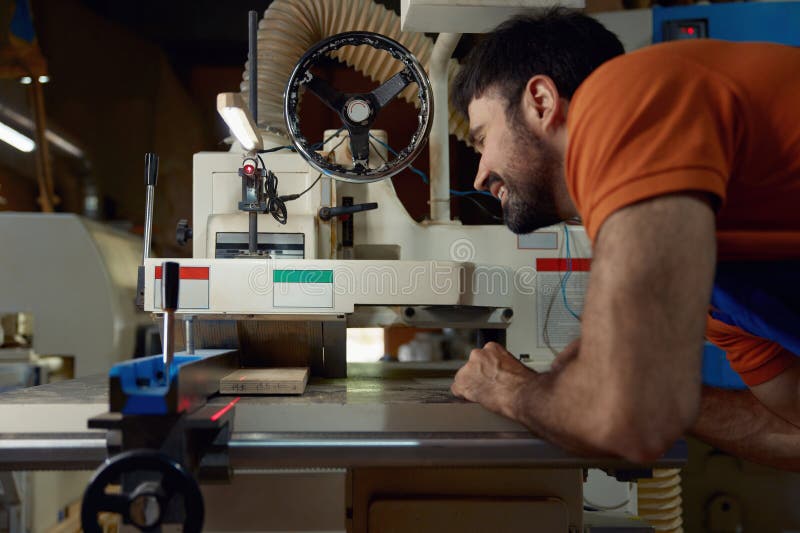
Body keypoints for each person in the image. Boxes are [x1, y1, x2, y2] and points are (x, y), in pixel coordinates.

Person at [449, 8, 800, 469]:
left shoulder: (623, 99)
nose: (478, 177)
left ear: (540, 101)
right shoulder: (718, 287)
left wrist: (508, 390)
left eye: (481, 138)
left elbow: (624, 420)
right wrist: (648, 384)